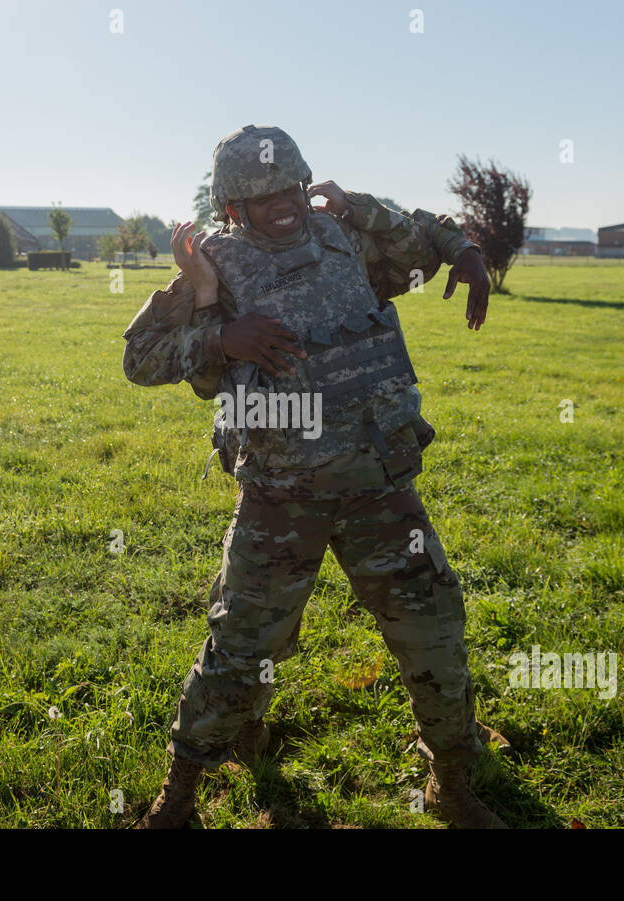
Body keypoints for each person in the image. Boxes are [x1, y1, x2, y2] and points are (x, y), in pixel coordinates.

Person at [122, 124, 507, 828]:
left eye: (289, 188)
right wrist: (219, 333)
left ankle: (453, 781)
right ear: (232, 207)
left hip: (380, 488)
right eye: (261, 196)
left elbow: (429, 230)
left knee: (435, 629)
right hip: (280, 498)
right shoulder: (217, 266)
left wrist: (470, 256)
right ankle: (176, 799)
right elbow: (140, 358)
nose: (282, 205)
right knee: (241, 648)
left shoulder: (346, 241)